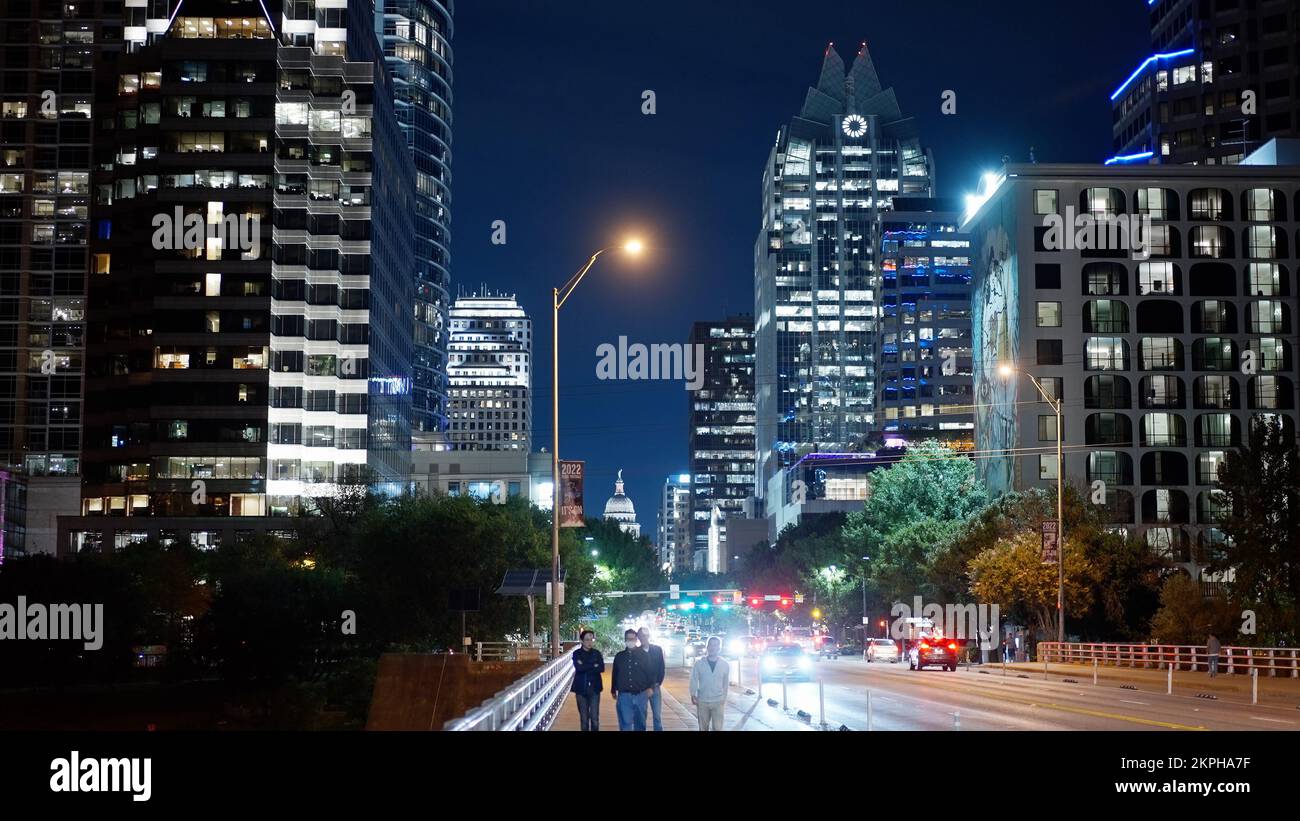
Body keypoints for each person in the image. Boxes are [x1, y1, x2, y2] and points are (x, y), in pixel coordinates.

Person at [611, 628, 654, 731]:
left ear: (636, 640)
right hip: (624, 696)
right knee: (625, 724)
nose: (630, 641)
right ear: (625, 640)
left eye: (633, 638)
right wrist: (613, 689)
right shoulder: (619, 656)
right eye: (628, 639)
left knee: (640, 724)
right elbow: (615, 673)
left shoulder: (644, 655)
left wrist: (651, 687)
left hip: (641, 695)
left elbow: (650, 672)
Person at [689, 636, 730, 731]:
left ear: (719, 648)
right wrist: (693, 694)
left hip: (718, 702)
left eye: (715, 645)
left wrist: (723, 698)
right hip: (703, 701)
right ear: (707, 647)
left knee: (718, 728)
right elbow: (694, 679)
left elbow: (725, 683)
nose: (712, 648)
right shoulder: (699, 663)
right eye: (710, 645)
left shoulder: (724, 665)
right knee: (703, 728)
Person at [571, 629, 604, 731]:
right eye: (587, 640)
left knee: (594, 718)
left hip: (594, 689)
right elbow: (579, 668)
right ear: (582, 641)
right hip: (581, 689)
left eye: (591, 639)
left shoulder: (597, 653)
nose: (589, 642)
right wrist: (593, 665)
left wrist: (585, 665)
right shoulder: (576, 653)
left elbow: (601, 668)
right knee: (584, 719)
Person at [637, 626, 667, 732]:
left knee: (657, 716)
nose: (643, 637)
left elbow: (661, 668)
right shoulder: (636, 652)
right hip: (641, 690)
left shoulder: (657, 650)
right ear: (638, 637)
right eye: (641, 635)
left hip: (655, 687)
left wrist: (657, 683)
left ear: (648, 635)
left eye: (645, 635)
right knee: (641, 716)